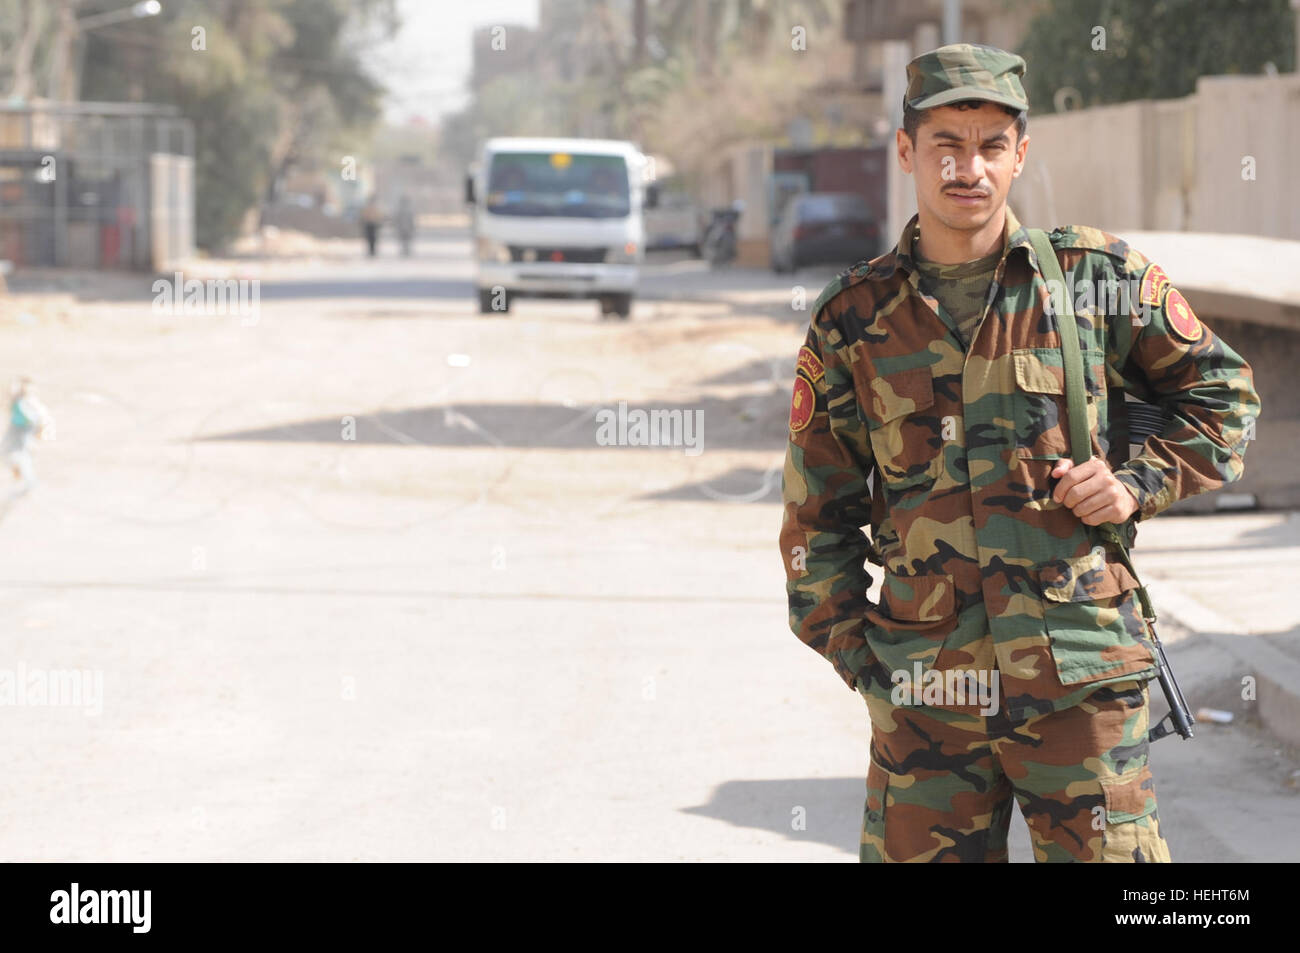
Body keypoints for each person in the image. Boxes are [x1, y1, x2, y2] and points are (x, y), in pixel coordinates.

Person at [779, 43, 1261, 863]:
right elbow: (816, 518)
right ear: (907, 152)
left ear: (1019, 155)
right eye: (946, 145)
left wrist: (1137, 483)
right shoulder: (852, 317)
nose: (969, 167)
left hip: (1080, 685)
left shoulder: (1094, 279)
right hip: (927, 697)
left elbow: (1225, 395)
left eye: (991, 145)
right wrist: (872, 665)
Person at [2, 376, 52, 498]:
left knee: (21, 455)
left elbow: (36, 419)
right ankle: (20, 474)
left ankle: (28, 480)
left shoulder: (25, 403)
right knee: (6, 452)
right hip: (14, 429)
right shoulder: (17, 401)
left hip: (21, 430)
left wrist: (38, 430)